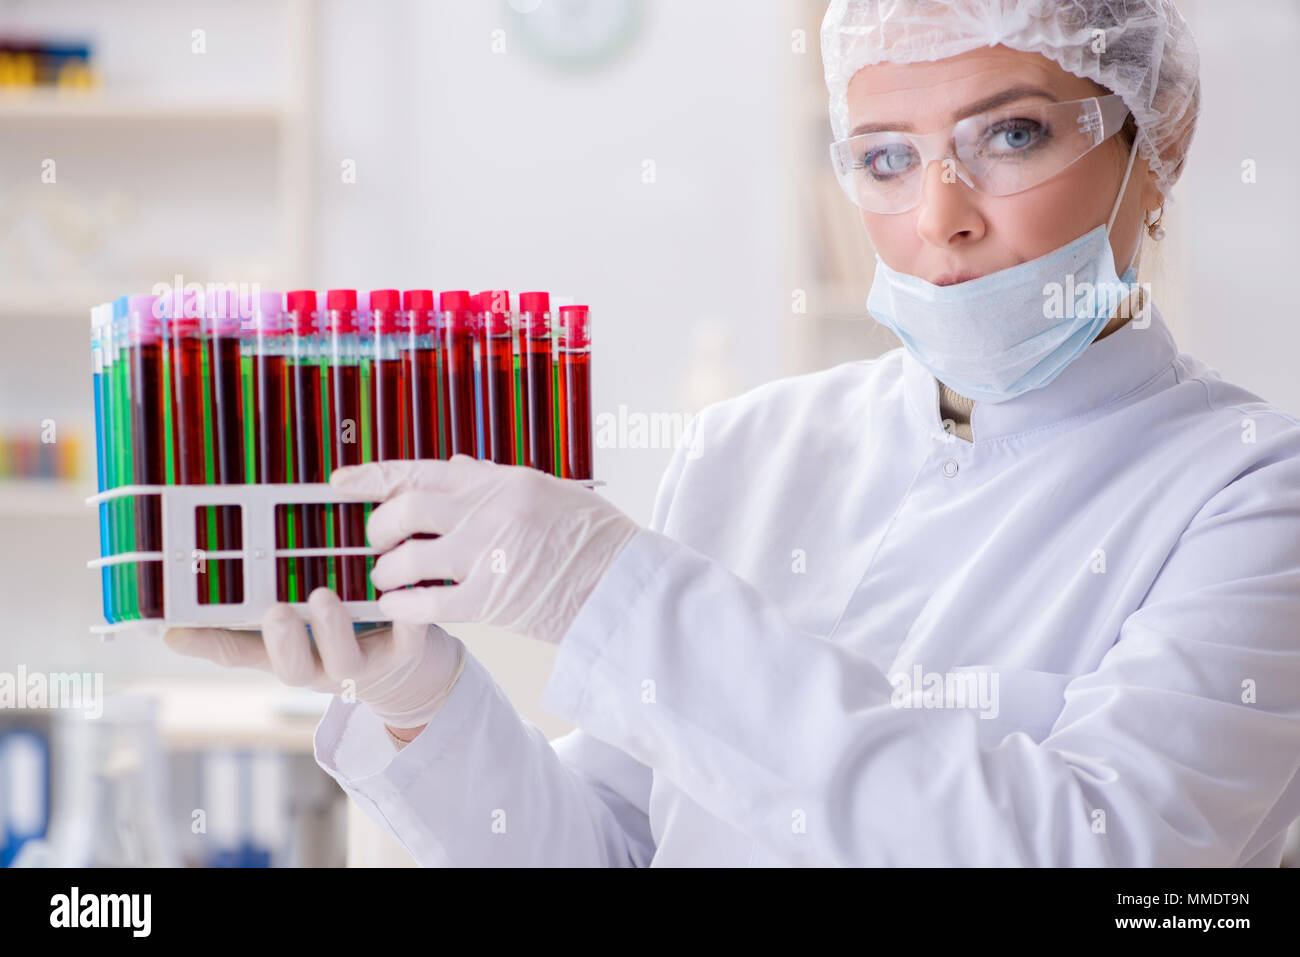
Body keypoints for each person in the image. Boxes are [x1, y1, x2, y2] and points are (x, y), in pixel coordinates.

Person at [166, 0, 1300, 866]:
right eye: (886, 157)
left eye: (1009, 133)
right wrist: (420, 707)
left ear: (1160, 145)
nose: (940, 214)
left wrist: (612, 593)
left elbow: (1102, 857)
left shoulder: (1250, 492)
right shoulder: (748, 450)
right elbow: (615, 850)